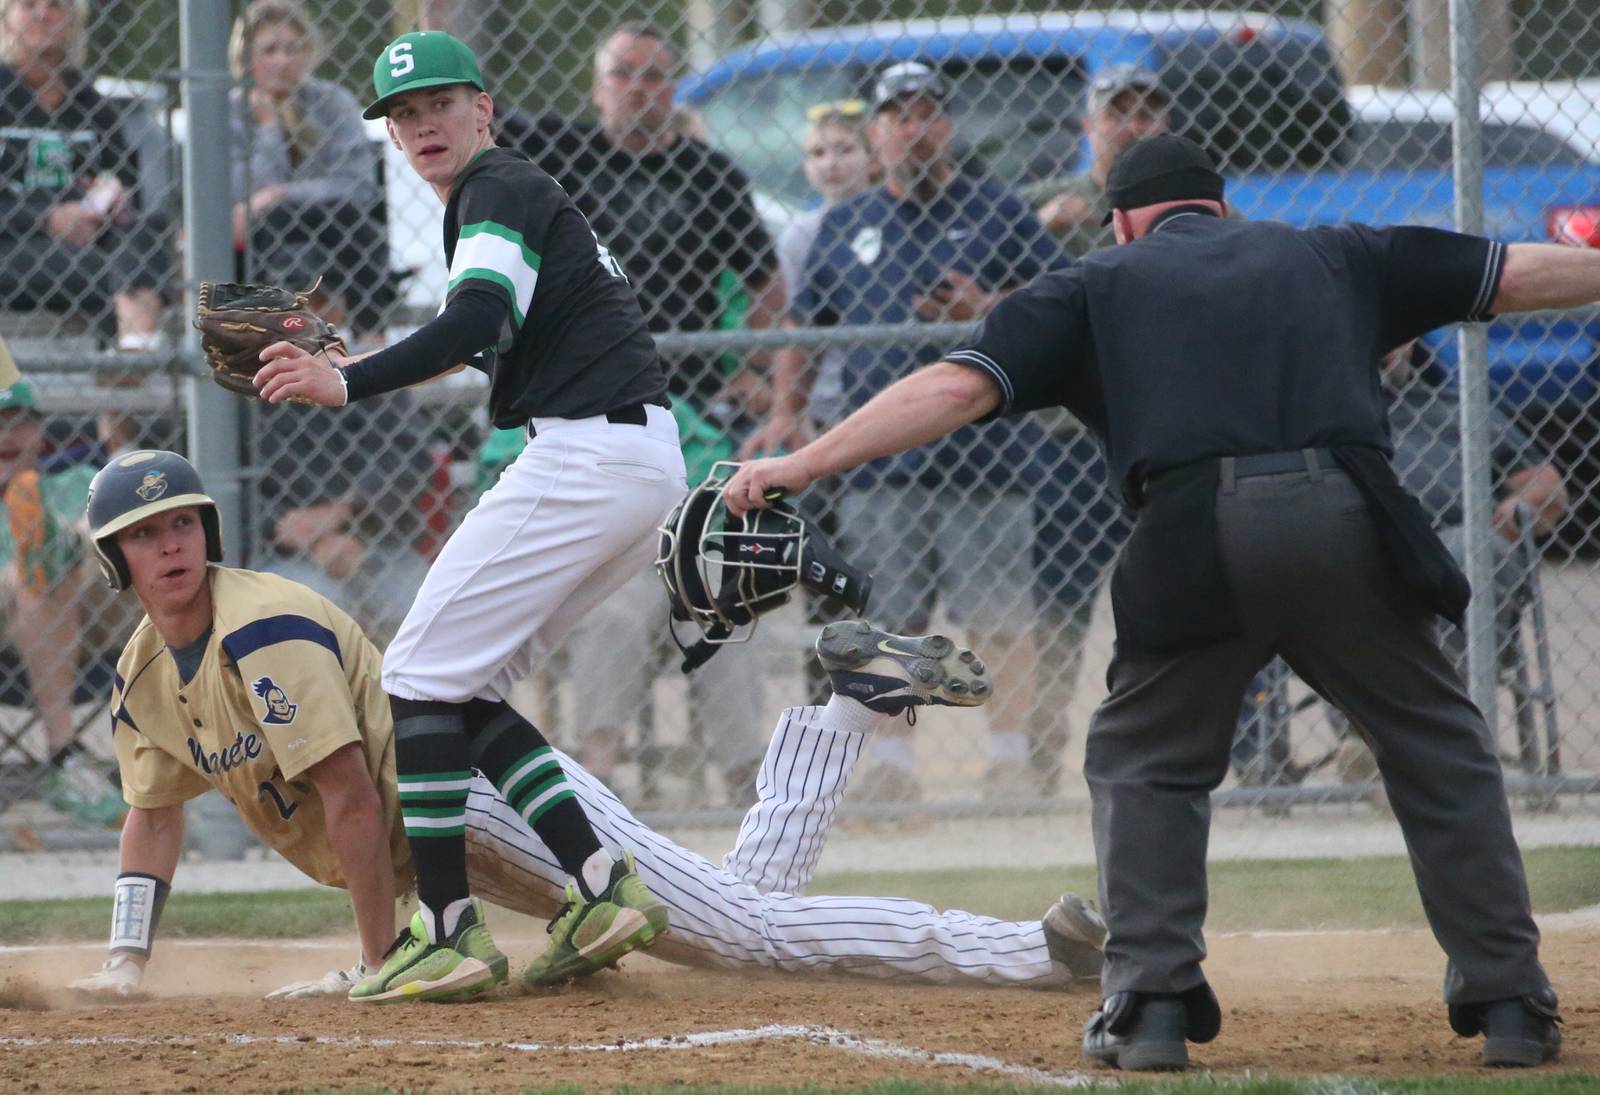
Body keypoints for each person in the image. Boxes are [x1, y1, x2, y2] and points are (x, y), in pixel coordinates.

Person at [725, 132, 1600, 1069]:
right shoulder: (1335, 249)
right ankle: (1511, 999)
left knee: (1147, 760)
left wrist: (803, 461)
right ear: (1223, 208)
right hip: (1349, 515)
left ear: (1124, 220)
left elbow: (953, 387)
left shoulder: (1094, 282)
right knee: (1438, 749)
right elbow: (1518, 273)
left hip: (1193, 532)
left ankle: (1149, 1005)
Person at [64, 450, 1108, 999]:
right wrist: (124, 963)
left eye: (182, 524)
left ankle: (1033, 950)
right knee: (733, 921)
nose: (171, 546)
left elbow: (346, 797)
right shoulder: (145, 672)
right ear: (116, 563)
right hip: (451, 841)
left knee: (739, 938)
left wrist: (384, 959)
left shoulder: (263, 627)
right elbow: (151, 819)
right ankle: (847, 706)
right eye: (144, 536)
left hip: (468, 801)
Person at [250, 30, 683, 1002]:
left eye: (438, 104)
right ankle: (602, 887)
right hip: (628, 457)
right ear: (393, 137)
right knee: (462, 687)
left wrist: (345, 378)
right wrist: (358, 350)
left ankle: (444, 932)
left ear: (481, 109)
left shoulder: (494, 188)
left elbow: (474, 322)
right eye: (404, 114)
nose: (422, 125)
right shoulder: (505, 201)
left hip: (586, 454)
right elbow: (493, 334)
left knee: (412, 672)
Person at [753, 60, 1067, 798]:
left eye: (927, 114)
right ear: (877, 133)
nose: (914, 130)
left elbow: (1057, 296)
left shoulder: (997, 208)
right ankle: (891, 772)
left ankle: (1012, 759)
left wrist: (983, 299)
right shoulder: (846, 222)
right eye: (898, 117)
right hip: (881, 463)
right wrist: (783, 410)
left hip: (985, 455)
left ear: (947, 126)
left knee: (998, 617)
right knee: (887, 619)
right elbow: (803, 323)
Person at [0, 0, 171, 349]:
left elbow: (126, 183)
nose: (42, 14)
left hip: (88, 248)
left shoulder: (94, 106)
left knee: (147, 231)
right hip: (12, 247)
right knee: (121, 272)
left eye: (55, 6)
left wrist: (112, 204)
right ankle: (128, 369)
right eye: (28, 5)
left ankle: (134, 352)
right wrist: (47, 218)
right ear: (5, 20)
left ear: (74, 24)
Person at [0, 374, 125, 825]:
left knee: (92, 543)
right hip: (9, 630)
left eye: (18, 423)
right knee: (29, 578)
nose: (6, 436)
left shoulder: (80, 481)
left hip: (94, 622)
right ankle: (63, 756)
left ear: (39, 432)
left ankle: (57, 549)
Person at [227, 0, 390, 337]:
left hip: (329, 221)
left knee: (355, 224)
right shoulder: (229, 112)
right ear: (245, 57)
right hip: (261, 231)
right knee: (267, 226)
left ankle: (371, 342)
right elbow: (241, 196)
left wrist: (281, 193)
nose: (282, 61)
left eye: (293, 48)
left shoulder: (333, 102)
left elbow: (356, 185)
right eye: (269, 50)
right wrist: (270, 128)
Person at [1023, 65, 1172, 259]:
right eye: (1117, 115)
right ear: (1089, 126)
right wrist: (1038, 225)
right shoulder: (1042, 199)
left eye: (1146, 115)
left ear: (1166, 124)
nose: (1133, 127)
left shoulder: (1194, 203)